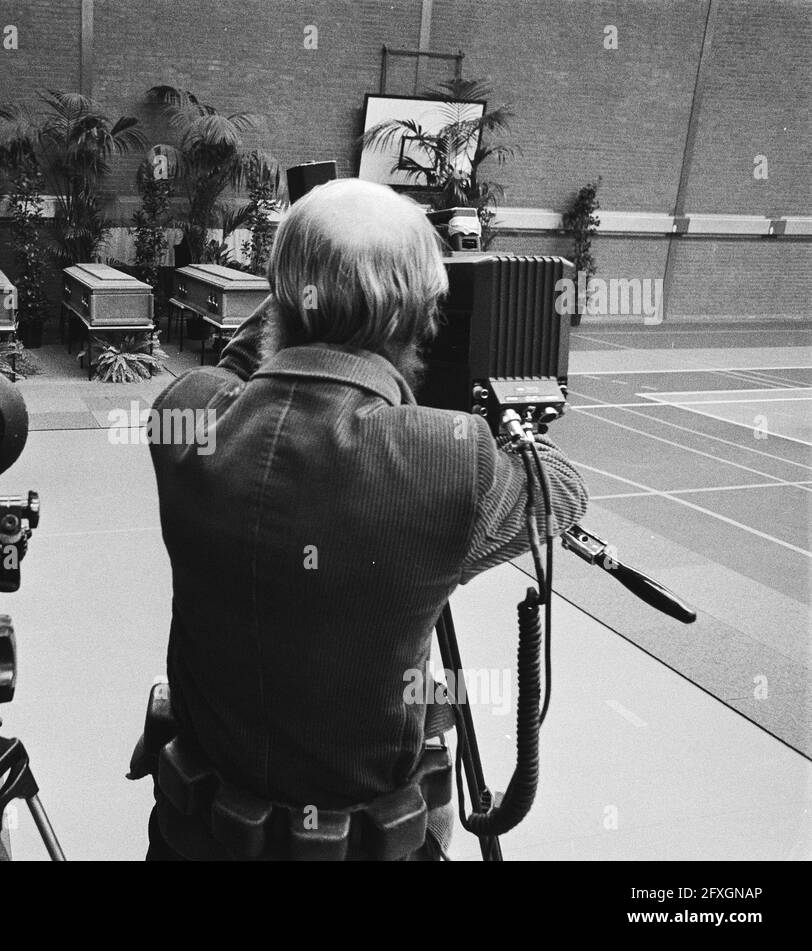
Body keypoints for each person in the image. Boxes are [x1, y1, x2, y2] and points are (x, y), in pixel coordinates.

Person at [144, 178, 588, 860]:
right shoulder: (445, 461)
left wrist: (306, 276)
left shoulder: (188, 415)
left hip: (195, 836)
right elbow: (560, 486)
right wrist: (512, 392)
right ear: (417, 316)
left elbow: (246, 366)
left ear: (282, 300)